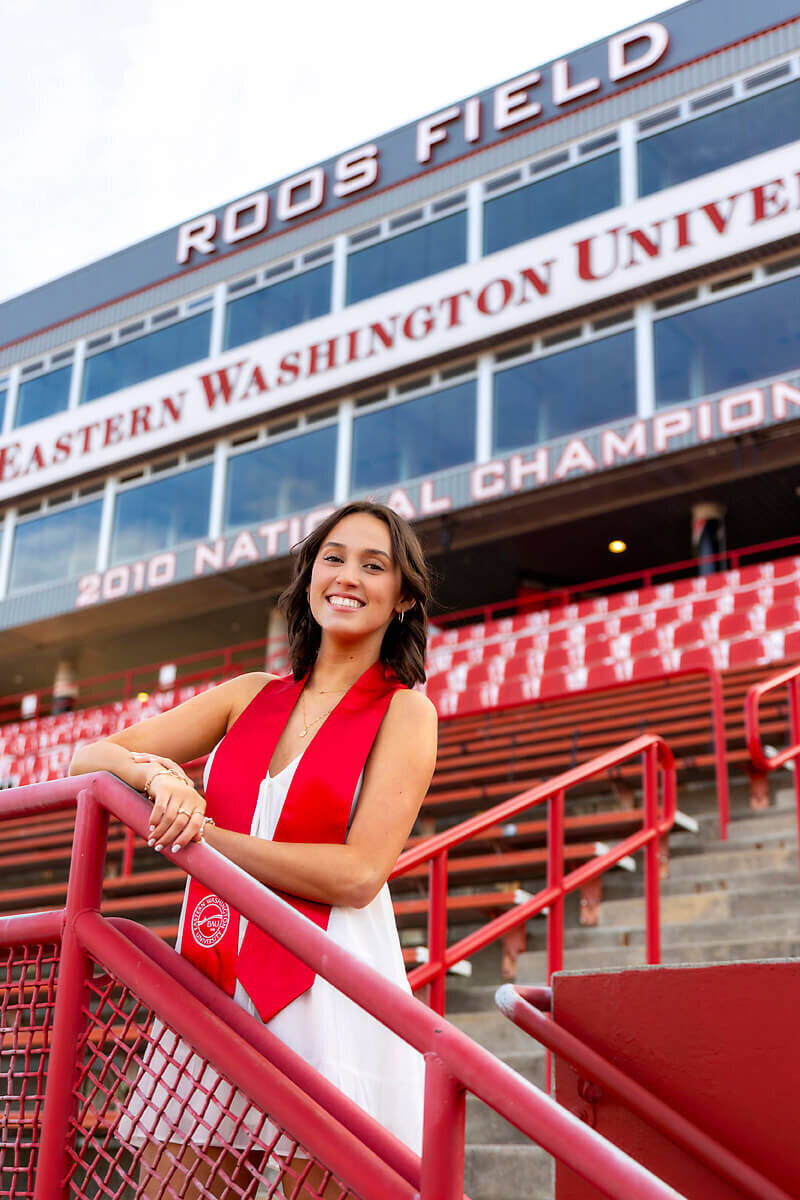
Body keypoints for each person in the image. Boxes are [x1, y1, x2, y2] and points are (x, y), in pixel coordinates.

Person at [69, 500, 438, 1200]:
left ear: (404, 597)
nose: (349, 576)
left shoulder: (405, 712)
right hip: (211, 984)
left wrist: (205, 840)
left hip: (327, 994)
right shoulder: (247, 697)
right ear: (308, 578)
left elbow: (359, 875)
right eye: (333, 557)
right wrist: (158, 777)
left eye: (374, 564)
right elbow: (88, 755)